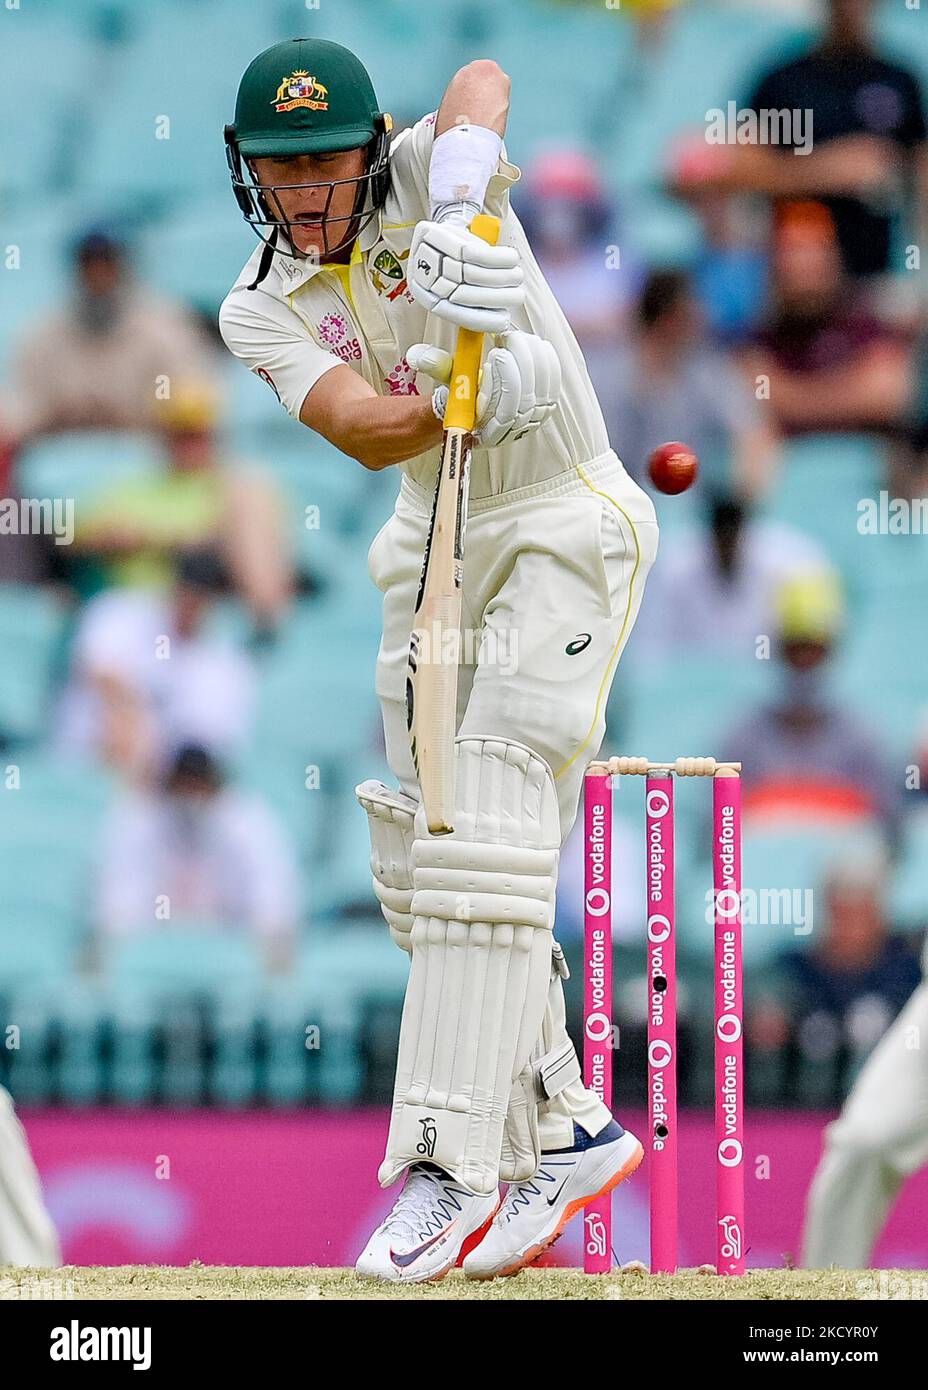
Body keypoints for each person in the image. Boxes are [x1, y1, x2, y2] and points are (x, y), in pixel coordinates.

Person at [220, 38, 660, 1283]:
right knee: (429, 851)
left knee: (490, 817)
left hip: (564, 518)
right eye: (278, 170)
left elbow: (483, 78)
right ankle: (562, 1126)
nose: (305, 193)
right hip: (433, 532)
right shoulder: (257, 300)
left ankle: (447, 1168)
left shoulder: (425, 172)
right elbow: (363, 428)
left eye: (325, 164)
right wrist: (473, 393)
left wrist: (461, 212)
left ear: (374, 151)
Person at [75, 381, 293, 633]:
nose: (188, 445)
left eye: (196, 434)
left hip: (209, 612)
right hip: (132, 602)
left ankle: (264, 624)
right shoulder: (131, 486)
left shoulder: (239, 488)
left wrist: (153, 537)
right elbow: (79, 536)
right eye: (180, 434)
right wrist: (112, 539)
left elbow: (237, 543)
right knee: (111, 632)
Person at [94, 745, 300, 974]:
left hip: (231, 950)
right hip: (156, 952)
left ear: (213, 786)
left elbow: (271, 902)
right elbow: (117, 904)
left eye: (197, 787)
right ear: (170, 785)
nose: (190, 797)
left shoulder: (248, 822)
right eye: (184, 787)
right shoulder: (139, 820)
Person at [55, 548, 255, 783]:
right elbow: (97, 671)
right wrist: (131, 710)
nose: (190, 604)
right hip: (77, 766)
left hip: (159, 792)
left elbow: (207, 749)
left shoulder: (227, 666)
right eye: (187, 590)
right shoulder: (118, 611)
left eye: (202, 596)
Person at [1, 230, 216, 448]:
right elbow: (21, 416)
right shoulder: (42, 337)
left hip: (151, 463)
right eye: (89, 267)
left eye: (107, 266)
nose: (98, 277)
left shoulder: (168, 330)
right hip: (63, 463)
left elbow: (193, 419)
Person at [740, 202, 912, 436]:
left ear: (835, 260)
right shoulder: (761, 338)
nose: (805, 266)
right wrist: (851, 391)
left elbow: (886, 393)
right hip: (790, 466)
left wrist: (792, 399)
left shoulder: (865, 324)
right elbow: (759, 395)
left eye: (815, 253)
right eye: (794, 253)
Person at [605, 268, 777, 497]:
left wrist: (742, 499)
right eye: (691, 310)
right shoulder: (611, 379)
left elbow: (754, 431)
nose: (703, 316)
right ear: (669, 320)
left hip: (694, 513)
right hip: (627, 505)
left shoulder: (707, 371)